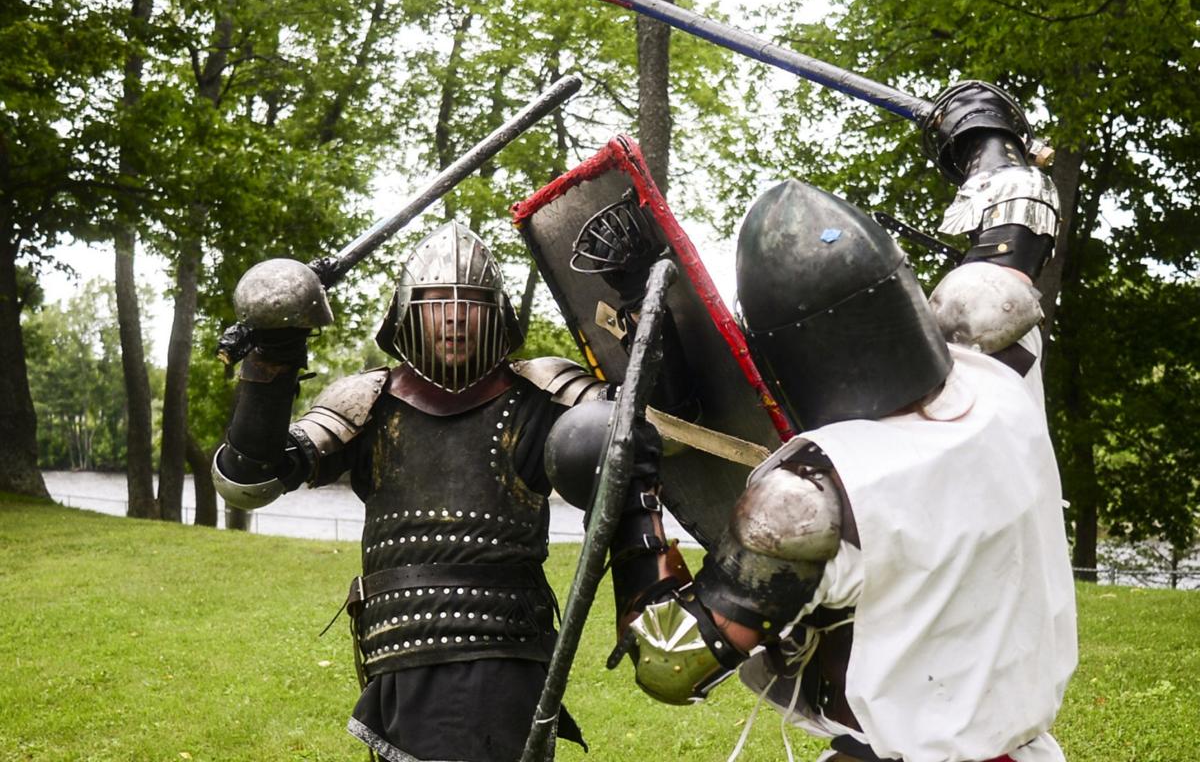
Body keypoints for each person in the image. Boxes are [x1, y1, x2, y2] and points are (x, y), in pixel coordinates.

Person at [591, 82, 1078, 762]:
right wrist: (983, 136)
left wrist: (626, 502)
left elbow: (672, 661)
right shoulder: (998, 372)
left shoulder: (817, 492)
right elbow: (1014, 223)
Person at [213, 222, 612, 762]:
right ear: (408, 311)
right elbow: (250, 480)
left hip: (503, 659)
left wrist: (630, 299)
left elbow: (638, 437)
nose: (453, 316)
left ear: (496, 313)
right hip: (397, 657)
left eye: (471, 302)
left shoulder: (543, 396)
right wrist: (273, 358)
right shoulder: (366, 401)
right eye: (435, 301)